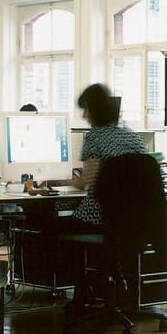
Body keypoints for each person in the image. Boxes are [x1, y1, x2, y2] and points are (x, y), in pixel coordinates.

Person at [70, 83, 146, 226]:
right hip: (138, 221)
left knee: (49, 227)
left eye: (86, 109)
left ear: (96, 110)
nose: (84, 115)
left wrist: (65, 182)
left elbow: (86, 182)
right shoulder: (134, 137)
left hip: (99, 217)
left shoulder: (93, 137)